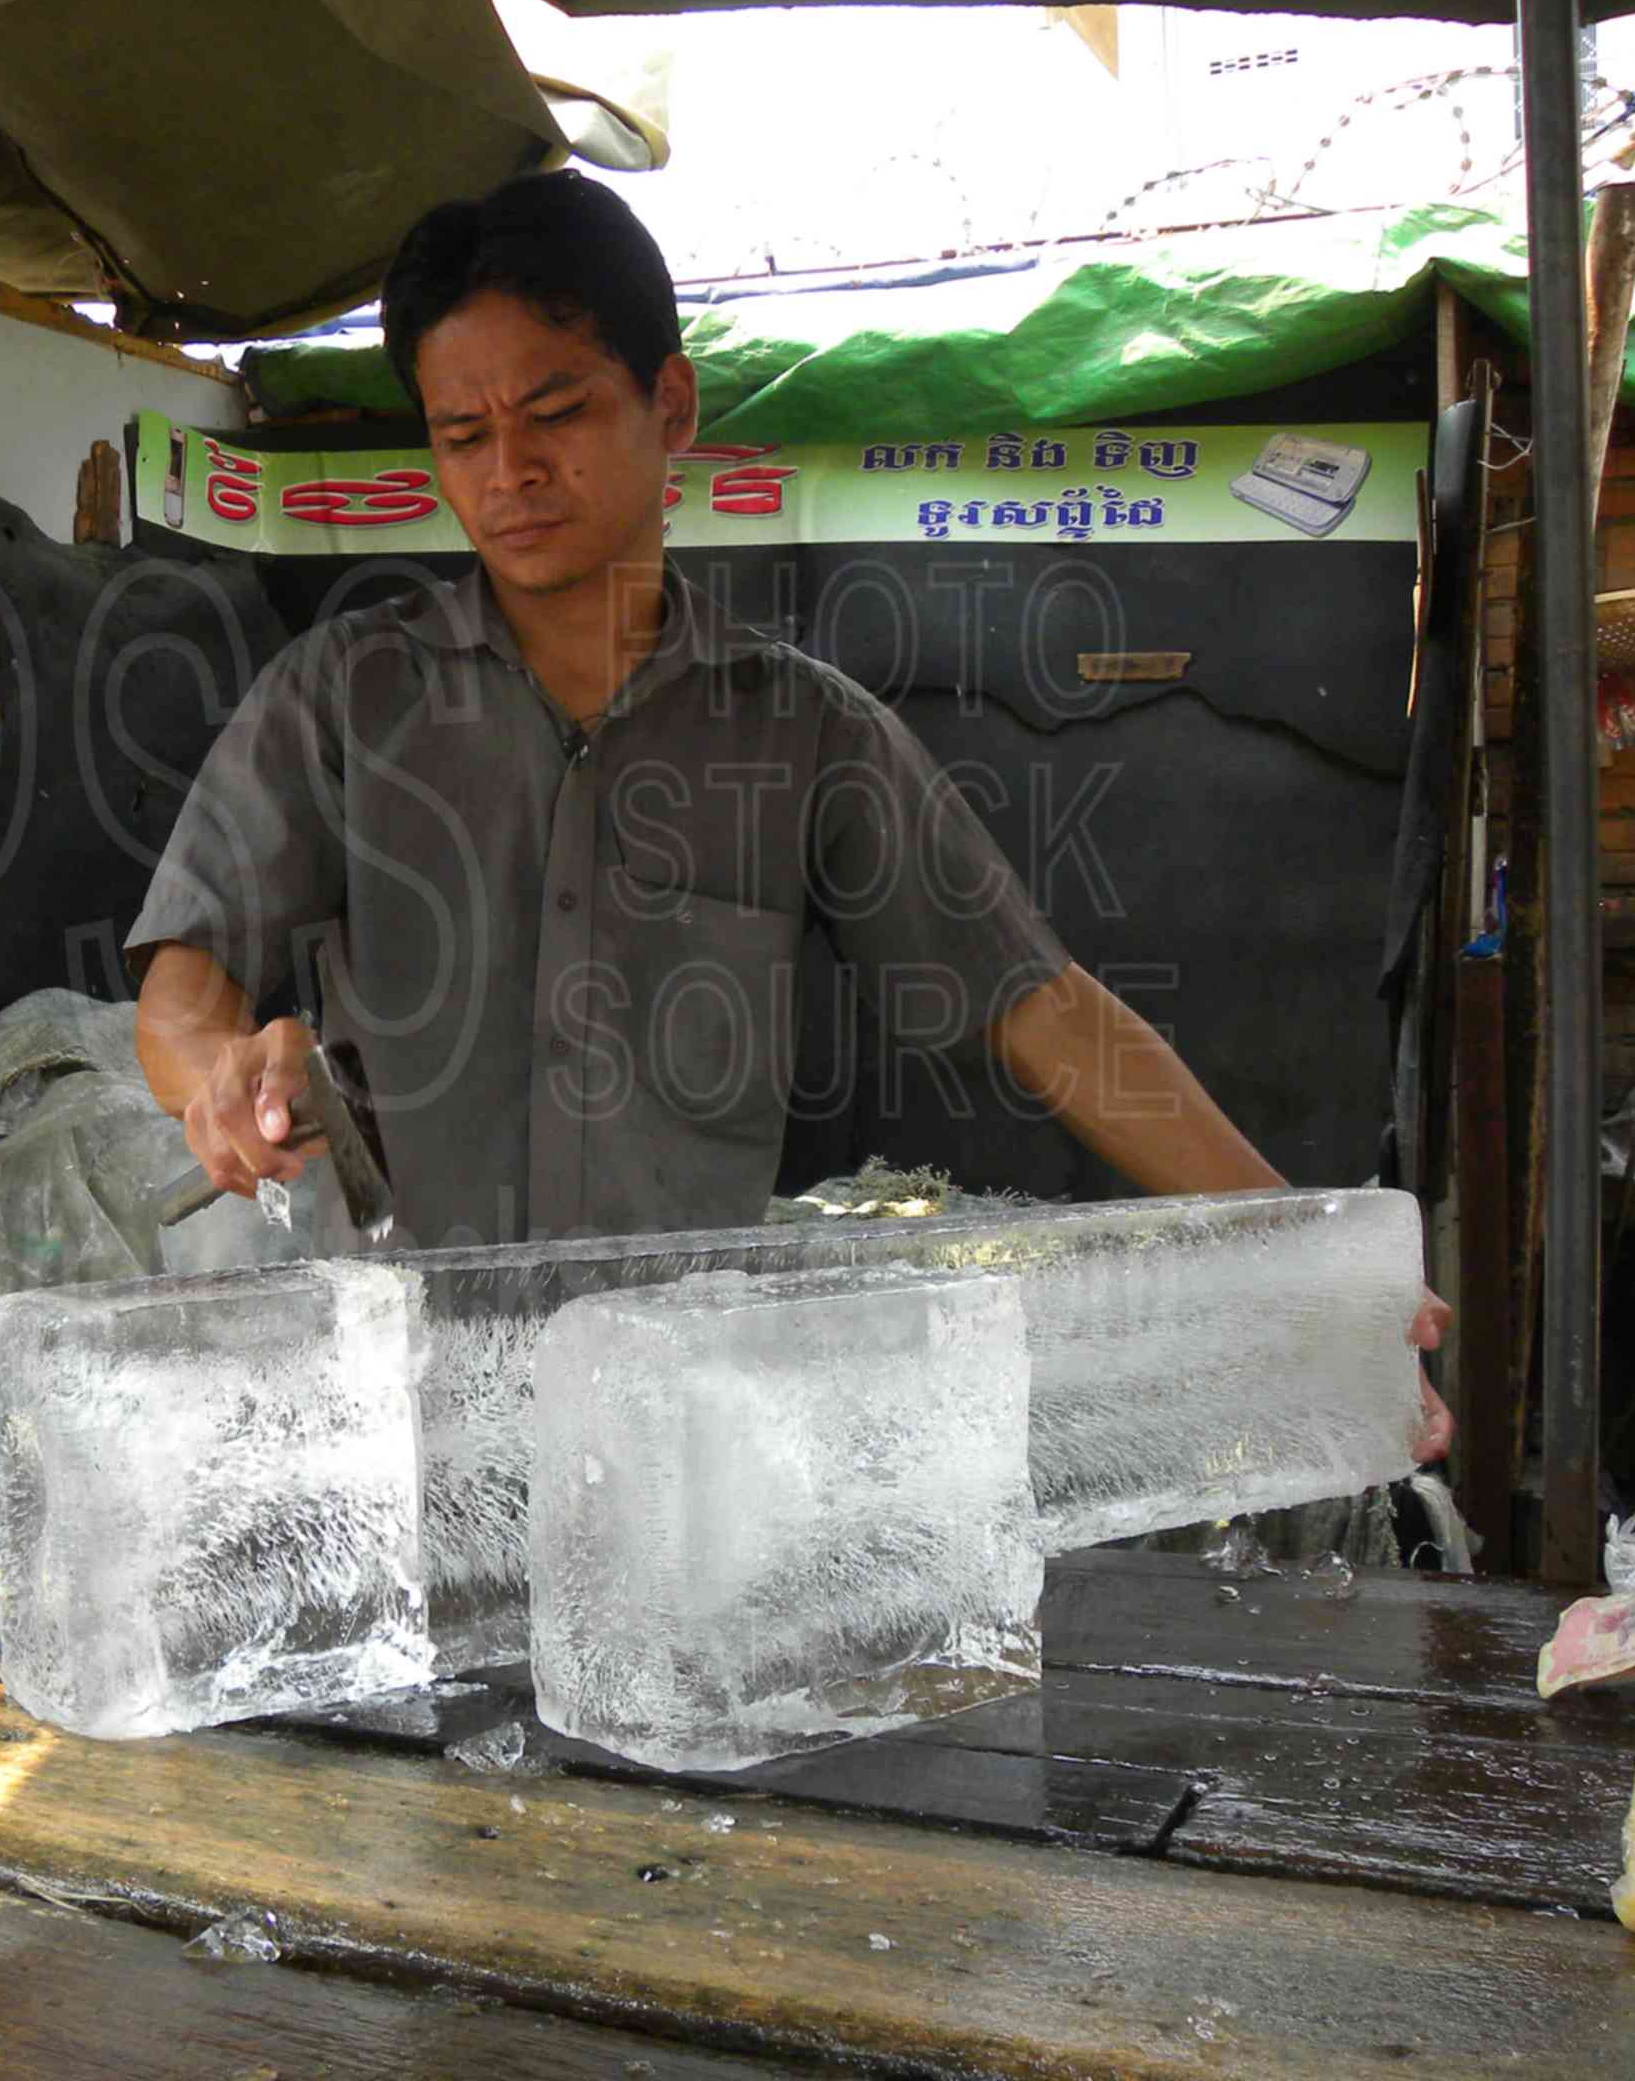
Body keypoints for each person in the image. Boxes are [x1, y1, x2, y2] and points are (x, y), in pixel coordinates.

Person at [129, 171, 1452, 1456]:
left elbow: (1042, 1008)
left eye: (557, 413)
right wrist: (224, 1086)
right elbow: (184, 987)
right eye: (462, 437)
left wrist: (1307, 1254)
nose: (510, 472)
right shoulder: (345, 698)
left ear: (672, 403)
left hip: (676, 1420)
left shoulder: (801, 731)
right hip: (407, 1411)